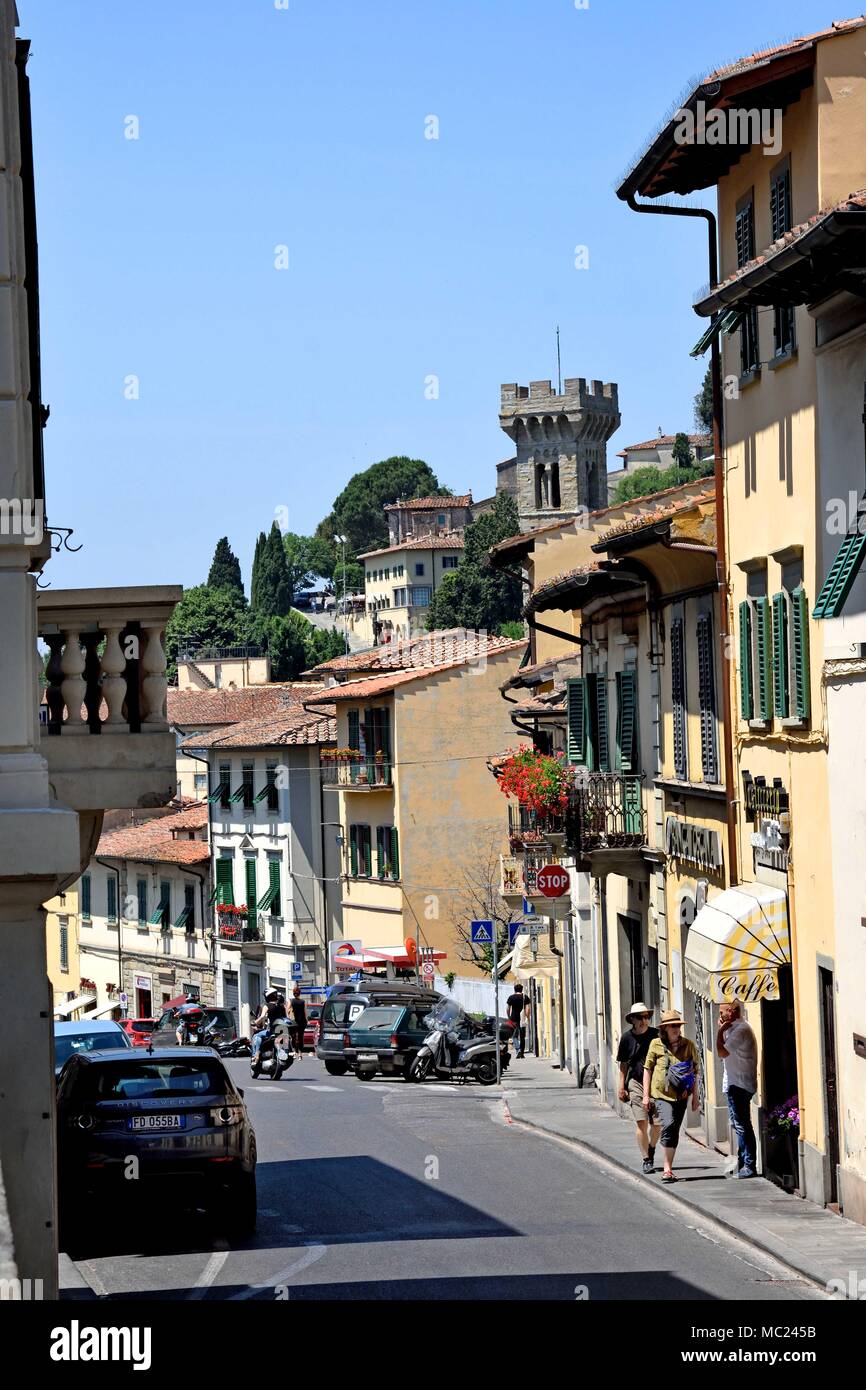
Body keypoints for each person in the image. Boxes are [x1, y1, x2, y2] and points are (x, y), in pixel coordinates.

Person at [643, 1009, 700, 1183]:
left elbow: (694, 1070)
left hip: (681, 1095)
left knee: (673, 1130)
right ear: (665, 1028)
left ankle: (665, 1164)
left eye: (678, 1025)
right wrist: (646, 1096)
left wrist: (695, 1095)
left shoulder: (688, 1045)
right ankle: (667, 1170)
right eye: (672, 1026)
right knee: (667, 1124)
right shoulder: (656, 1044)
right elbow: (648, 1069)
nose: (676, 1029)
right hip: (660, 1094)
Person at [617, 1002, 661, 1175]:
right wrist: (621, 1086)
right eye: (640, 1018)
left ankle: (651, 1147)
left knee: (658, 1125)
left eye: (646, 1017)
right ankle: (646, 1159)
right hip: (636, 1083)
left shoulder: (656, 1035)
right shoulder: (627, 1038)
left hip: (655, 1084)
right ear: (633, 1020)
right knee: (641, 1122)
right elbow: (623, 1064)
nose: (644, 1020)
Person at [716, 1000, 759, 1178]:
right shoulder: (734, 1028)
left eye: (721, 1013)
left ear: (732, 1011)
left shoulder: (741, 1030)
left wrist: (719, 1032)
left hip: (740, 1085)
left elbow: (722, 1052)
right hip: (734, 1083)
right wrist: (724, 1029)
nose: (720, 1017)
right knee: (738, 1124)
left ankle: (749, 1165)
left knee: (743, 1126)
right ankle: (742, 1162)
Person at [251, 988, 288, 1061]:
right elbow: (286, 1017)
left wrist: (255, 1022)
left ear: (267, 996)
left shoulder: (267, 1006)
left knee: (256, 1036)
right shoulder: (282, 1006)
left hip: (272, 1031)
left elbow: (262, 1017)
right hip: (283, 1030)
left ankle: (256, 1055)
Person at [506, 982, 530, 1058]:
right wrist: (527, 1017)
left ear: (515, 990)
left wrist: (509, 1016)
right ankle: (522, 1053)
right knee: (522, 1036)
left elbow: (507, 1008)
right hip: (522, 1018)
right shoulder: (525, 997)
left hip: (514, 1018)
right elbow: (527, 1009)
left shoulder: (511, 997)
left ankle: (518, 1049)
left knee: (514, 1036)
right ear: (522, 989)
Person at [290, 985, 308, 1057]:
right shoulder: (303, 1002)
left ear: (293, 993)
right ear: (299, 993)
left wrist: (289, 1016)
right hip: (302, 1021)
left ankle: (294, 1052)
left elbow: (288, 1009)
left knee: (293, 1037)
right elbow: (305, 1012)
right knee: (301, 1037)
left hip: (294, 1021)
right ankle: (300, 1054)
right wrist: (307, 1020)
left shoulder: (291, 1001)